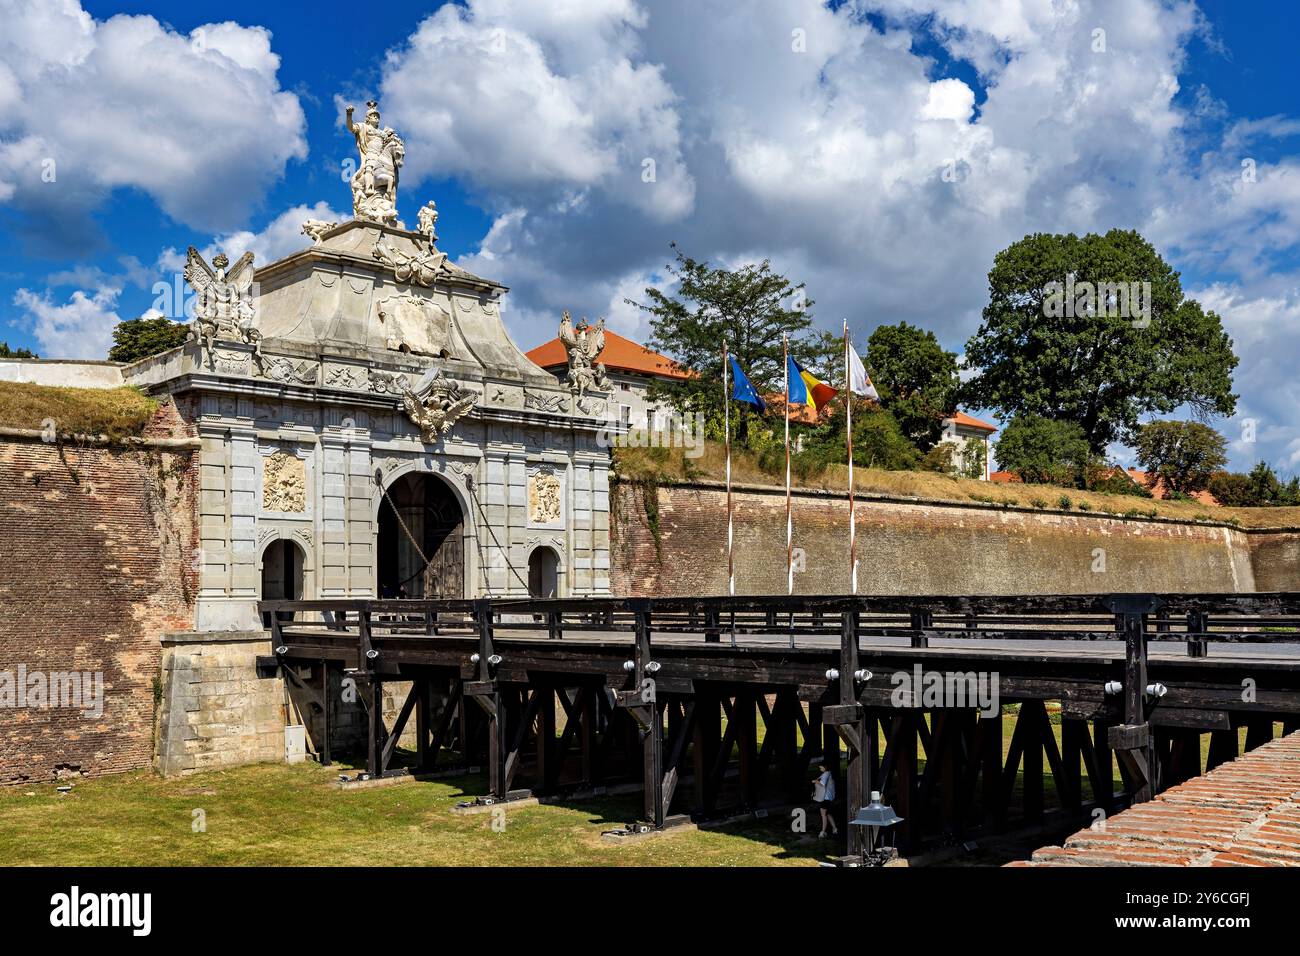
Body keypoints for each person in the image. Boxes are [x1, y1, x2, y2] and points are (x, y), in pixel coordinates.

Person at [811, 761, 839, 838]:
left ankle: (823, 832)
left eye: (821, 767)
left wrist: (815, 781)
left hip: (825, 797)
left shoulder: (826, 774)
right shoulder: (829, 773)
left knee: (823, 814)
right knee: (828, 813)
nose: (820, 769)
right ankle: (834, 828)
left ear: (825, 767)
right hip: (829, 797)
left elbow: (822, 784)